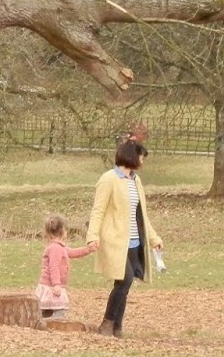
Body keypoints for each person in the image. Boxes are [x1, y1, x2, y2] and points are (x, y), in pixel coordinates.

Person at [87, 139, 164, 338]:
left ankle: (117, 327)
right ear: (132, 156)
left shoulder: (135, 181)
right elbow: (98, 210)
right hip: (114, 240)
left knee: (124, 284)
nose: (142, 161)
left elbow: (141, 214)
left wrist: (154, 238)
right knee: (125, 279)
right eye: (141, 157)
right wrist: (92, 236)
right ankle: (107, 323)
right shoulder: (108, 179)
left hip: (134, 241)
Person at [35, 214, 92, 318]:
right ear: (63, 231)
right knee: (59, 311)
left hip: (50, 286)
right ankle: (53, 325)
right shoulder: (55, 248)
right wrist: (56, 284)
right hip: (51, 286)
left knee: (46, 311)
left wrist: (87, 249)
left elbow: (72, 252)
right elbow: (54, 267)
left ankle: (44, 324)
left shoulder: (58, 247)